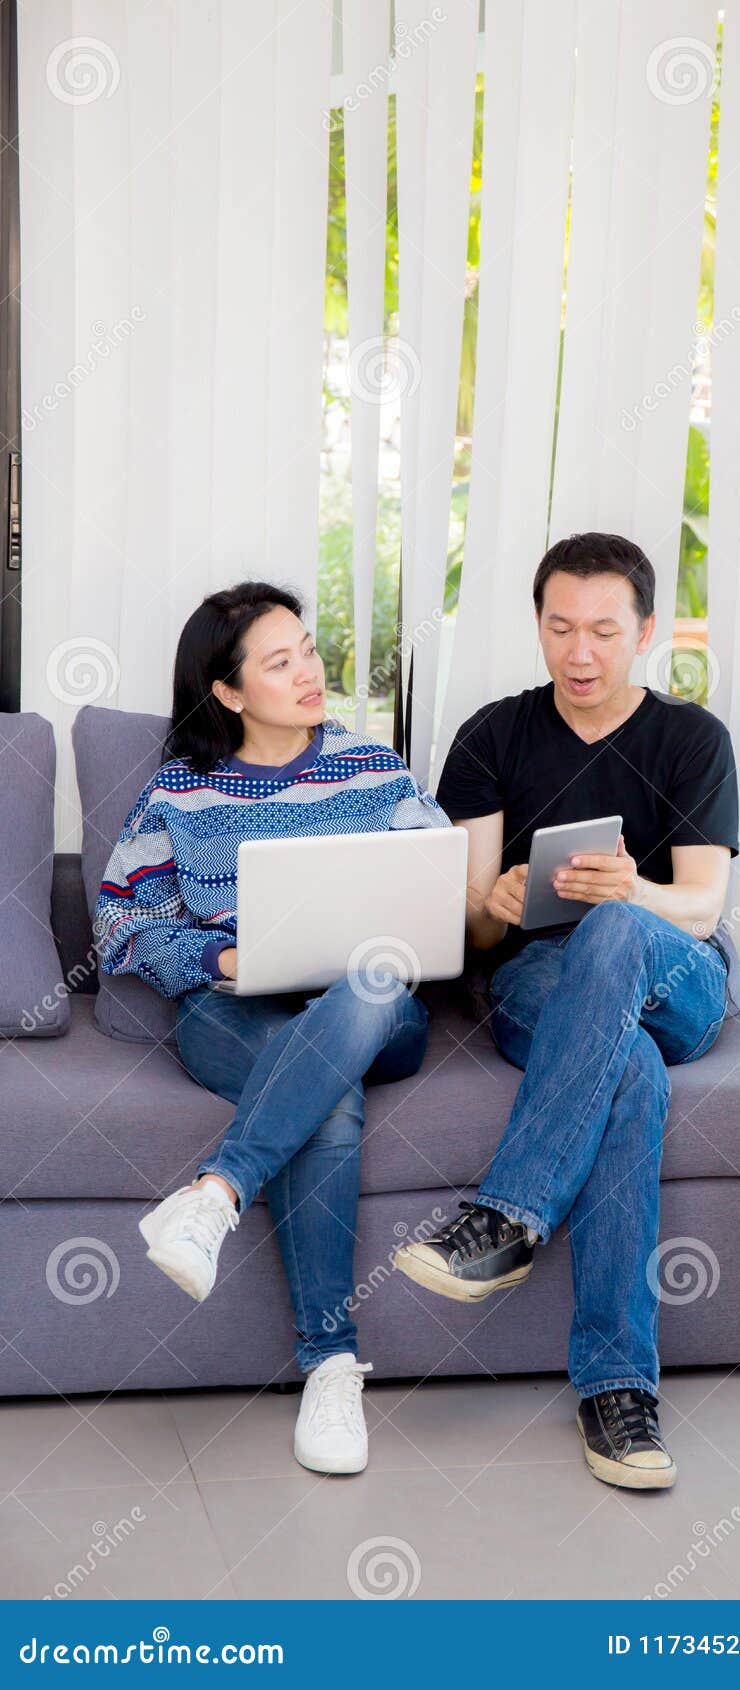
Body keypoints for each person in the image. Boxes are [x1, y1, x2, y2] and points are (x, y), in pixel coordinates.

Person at [394, 532, 740, 1492]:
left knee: (617, 935)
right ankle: (617, 1395)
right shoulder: (491, 735)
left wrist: (632, 892)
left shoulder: (691, 739)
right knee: (621, 1071)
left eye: (600, 631)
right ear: (537, 626)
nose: (577, 653)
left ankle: (505, 1213)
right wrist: (491, 901)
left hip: (673, 972)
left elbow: (703, 905)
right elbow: (468, 926)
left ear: (643, 633)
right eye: (558, 628)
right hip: (542, 986)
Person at [92, 581, 448, 1476]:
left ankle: (214, 1196)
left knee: (365, 982)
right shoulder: (179, 795)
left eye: (309, 652)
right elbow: (117, 926)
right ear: (228, 690)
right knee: (324, 1104)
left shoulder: (377, 769)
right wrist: (221, 964)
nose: (308, 673)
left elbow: (439, 886)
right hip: (233, 1012)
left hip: (376, 1010)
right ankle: (330, 1364)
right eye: (278, 661)